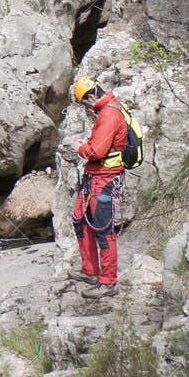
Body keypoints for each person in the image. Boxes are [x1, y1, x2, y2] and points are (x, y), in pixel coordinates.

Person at [66, 76, 127, 296]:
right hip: (94, 178)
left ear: (91, 96)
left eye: (85, 104)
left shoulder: (109, 115)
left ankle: (108, 281)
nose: (87, 108)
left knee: (102, 229)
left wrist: (80, 148)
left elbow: (96, 152)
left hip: (104, 181)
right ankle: (90, 270)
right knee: (80, 220)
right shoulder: (107, 111)